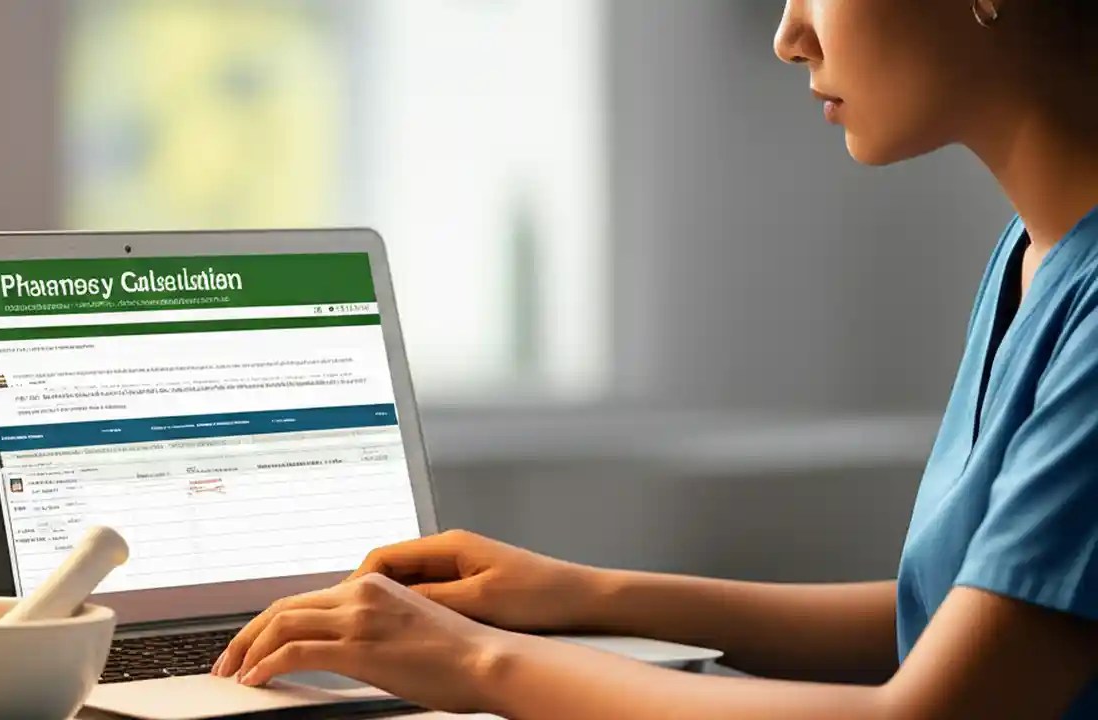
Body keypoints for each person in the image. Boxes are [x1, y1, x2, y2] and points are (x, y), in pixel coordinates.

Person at [213, 0, 1098, 716]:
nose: (789, 37)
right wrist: (583, 595)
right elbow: (956, 619)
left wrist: (474, 661)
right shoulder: (1032, 254)